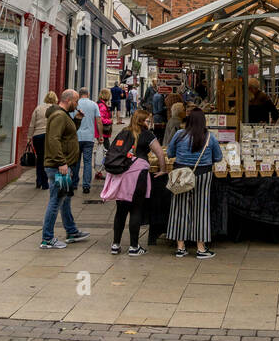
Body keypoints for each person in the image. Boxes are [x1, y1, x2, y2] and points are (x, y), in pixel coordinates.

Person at [107, 110, 168, 256]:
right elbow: (160, 153)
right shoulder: (147, 135)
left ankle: (115, 245)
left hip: (121, 175)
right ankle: (134, 247)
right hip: (137, 176)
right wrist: (163, 169)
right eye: (148, 120)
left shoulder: (123, 132)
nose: (149, 123)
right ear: (141, 121)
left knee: (121, 210)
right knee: (136, 209)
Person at [166, 108, 222, 258]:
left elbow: (170, 153)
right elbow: (218, 157)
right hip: (203, 174)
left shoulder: (179, 135)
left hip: (180, 174)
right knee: (201, 209)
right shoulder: (210, 137)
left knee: (180, 208)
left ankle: (180, 246)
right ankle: (201, 247)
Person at [41, 89, 91, 249]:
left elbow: (66, 136)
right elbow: (54, 140)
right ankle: (47, 239)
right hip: (58, 167)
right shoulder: (59, 116)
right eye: (76, 102)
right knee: (56, 201)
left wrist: (77, 120)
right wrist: (61, 162)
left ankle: (71, 231)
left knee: (65, 198)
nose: (77, 105)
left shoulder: (64, 116)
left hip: (63, 165)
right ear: (69, 100)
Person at [75, 88, 101, 196]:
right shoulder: (94, 104)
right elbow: (98, 121)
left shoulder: (75, 105)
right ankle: (86, 186)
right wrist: (100, 136)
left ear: (79, 94)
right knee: (87, 162)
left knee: (75, 161)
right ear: (88, 94)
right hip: (89, 137)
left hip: (76, 137)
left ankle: (74, 183)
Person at [29, 90, 57, 189]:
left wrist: (29, 137)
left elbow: (32, 124)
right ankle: (45, 183)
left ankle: (38, 181)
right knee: (46, 159)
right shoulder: (56, 110)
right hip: (48, 136)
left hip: (37, 136)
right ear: (55, 99)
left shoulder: (38, 108)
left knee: (40, 159)